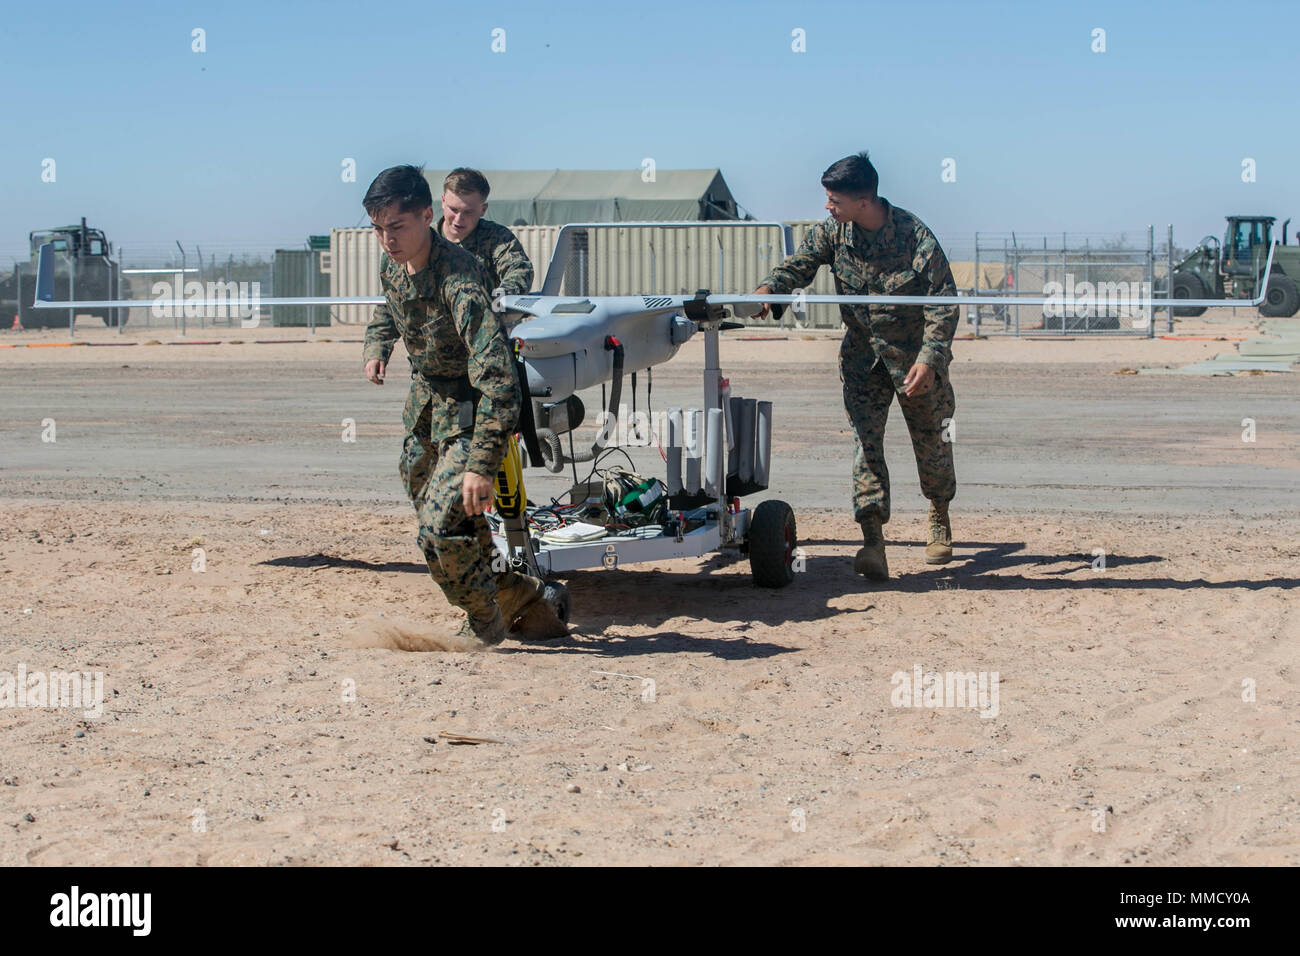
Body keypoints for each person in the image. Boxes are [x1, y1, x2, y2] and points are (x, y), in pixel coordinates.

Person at [361, 164, 555, 647]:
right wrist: (375, 347)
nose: (387, 239)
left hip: (473, 410)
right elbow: (388, 308)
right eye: (378, 228)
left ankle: (483, 620)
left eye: (397, 227)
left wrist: (481, 465)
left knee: (437, 531)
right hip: (427, 409)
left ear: (426, 216)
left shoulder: (460, 283)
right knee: (452, 517)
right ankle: (522, 599)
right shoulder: (393, 261)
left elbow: (499, 381)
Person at [753, 152, 958, 579]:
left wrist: (931, 358)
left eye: (834, 200)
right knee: (866, 444)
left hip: (914, 361)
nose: (827, 207)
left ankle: (938, 514)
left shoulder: (914, 236)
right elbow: (801, 264)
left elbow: (943, 300)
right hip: (864, 360)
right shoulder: (834, 231)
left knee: (932, 444)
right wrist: (773, 287)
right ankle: (872, 541)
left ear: (863, 201)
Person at [436, 168, 533, 330]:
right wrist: (378, 351)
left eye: (468, 212)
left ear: (483, 210)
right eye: (453, 209)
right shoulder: (423, 241)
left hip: (487, 335)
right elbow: (394, 293)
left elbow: (519, 270)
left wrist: (495, 303)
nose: (459, 219)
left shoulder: (496, 238)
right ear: (442, 201)